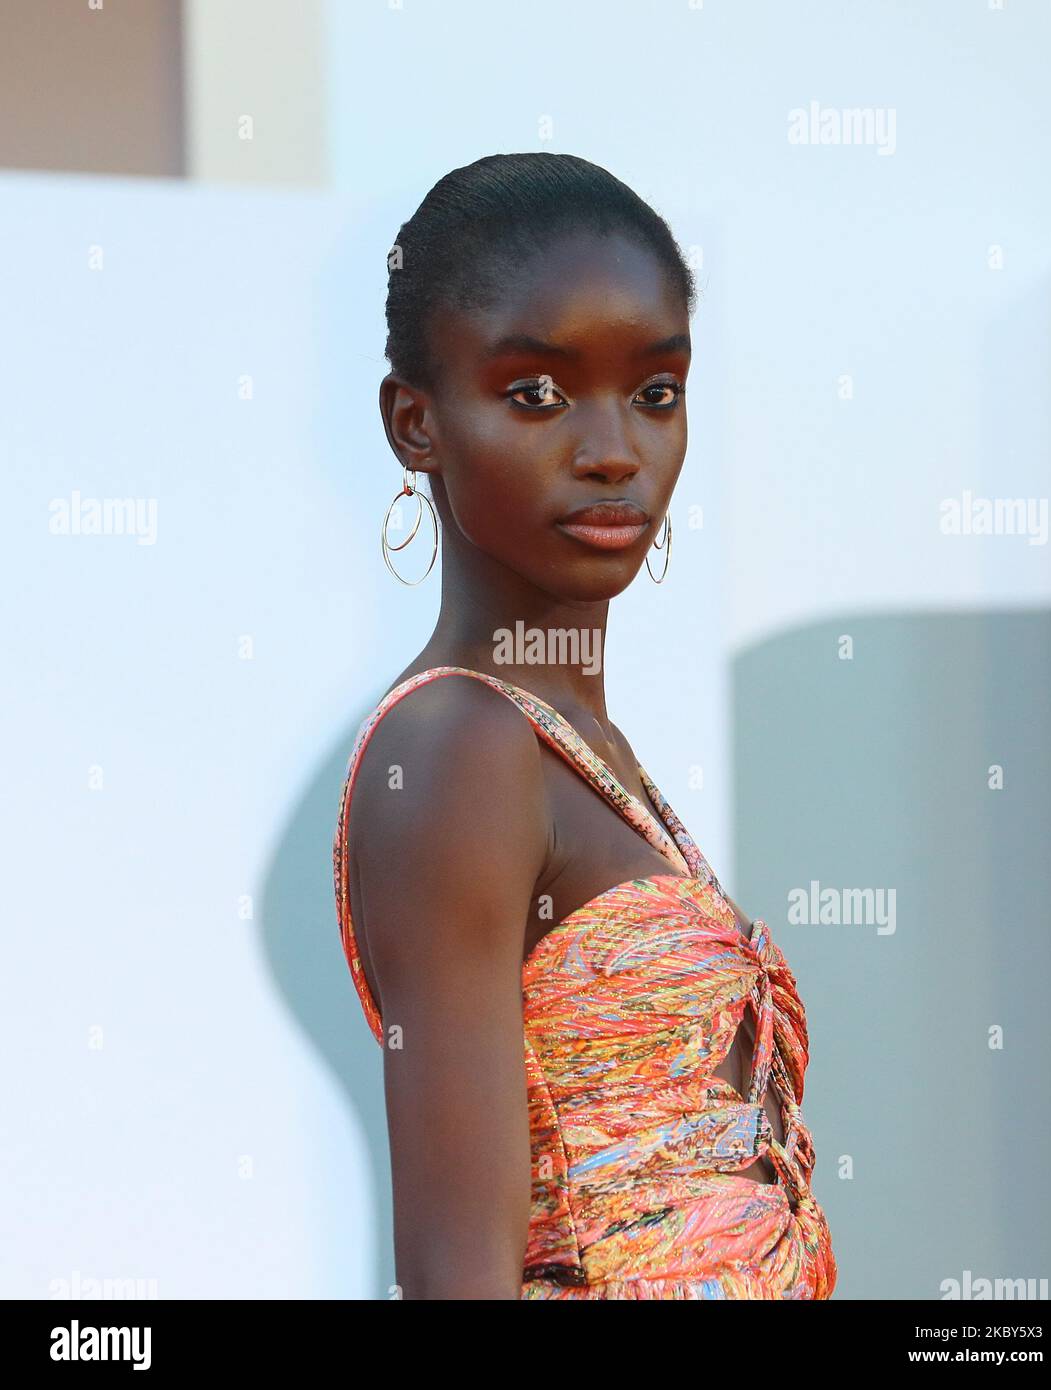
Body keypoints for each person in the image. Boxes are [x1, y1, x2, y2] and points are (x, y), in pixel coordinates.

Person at [333, 152, 838, 1300]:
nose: (614, 452)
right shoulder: (456, 747)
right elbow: (456, 1278)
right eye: (537, 394)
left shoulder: (576, 744)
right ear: (415, 423)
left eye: (654, 392)